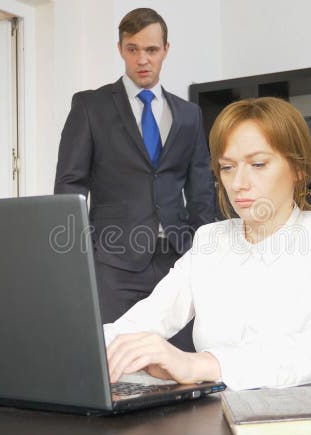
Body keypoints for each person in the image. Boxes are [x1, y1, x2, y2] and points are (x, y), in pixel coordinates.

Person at [104, 97, 311, 391]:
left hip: (296, 419)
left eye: (258, 164)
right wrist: (83, 350)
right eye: (227, 167)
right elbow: (142, 321)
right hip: (212, 418)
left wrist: (197, 365)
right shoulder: (211, 240)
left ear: (298, 169)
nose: (237, 183)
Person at [53, 8, 215, 350]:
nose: (142, 59)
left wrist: (201, 253)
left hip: (176, 262)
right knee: (115, 360)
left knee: (179, 360)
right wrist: (78, 256)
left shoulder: (189, 115)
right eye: (132, 49)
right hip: (113, 263)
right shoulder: (90, 107)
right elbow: (70, 186)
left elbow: (201, 192)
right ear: (120, 48)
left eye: (152, 50)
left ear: (166, 50)